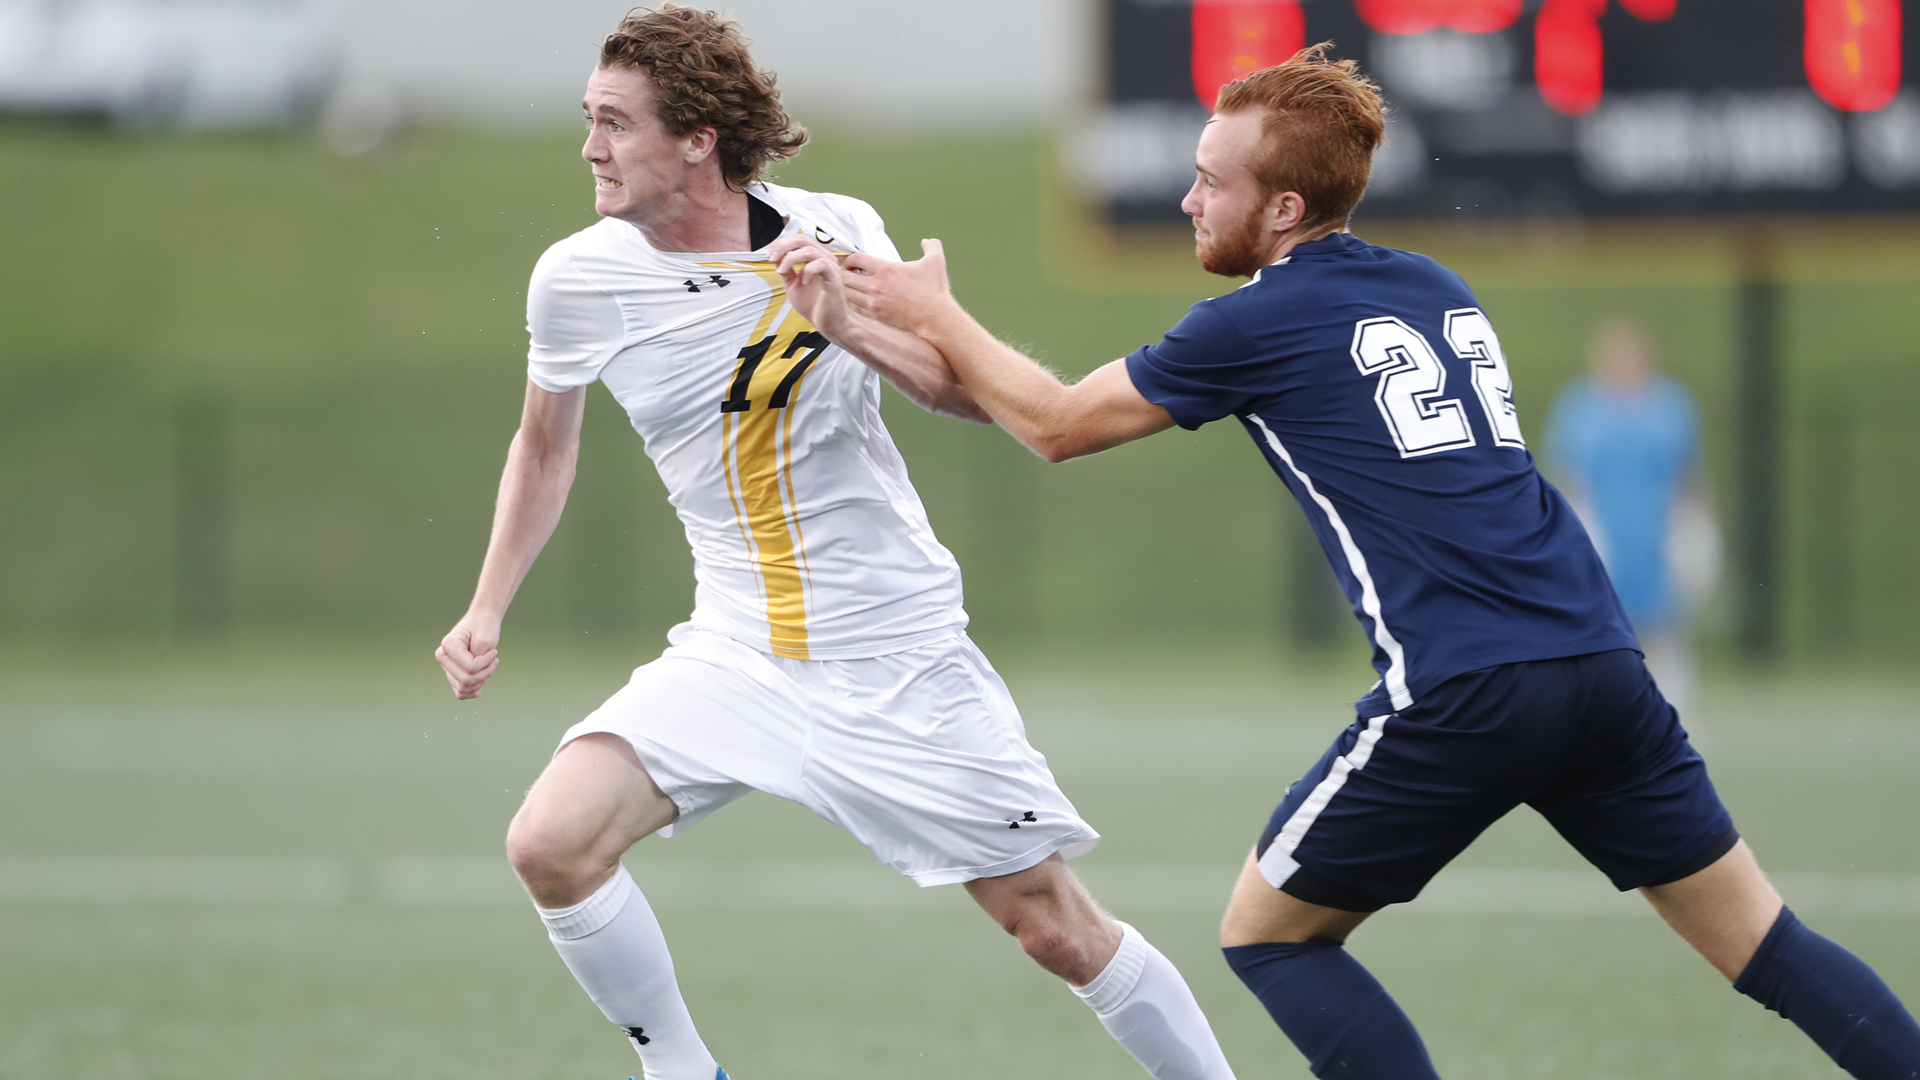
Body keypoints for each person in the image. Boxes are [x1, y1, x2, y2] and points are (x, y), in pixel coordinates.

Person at [770, 44, 1920, 1080]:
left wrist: (939, 308)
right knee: (1765, 944)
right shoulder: (1434, 286)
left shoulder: (1257, 321)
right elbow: (1031, 408)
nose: (1187, 197)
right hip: (1603, 663)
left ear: (1280, 206)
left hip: (1468, 683)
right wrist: (864, 326)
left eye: (1210, 181)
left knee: (1267, 938)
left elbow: (1058, 425)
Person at [432, 8, 1238, 1080]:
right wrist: (486, 608)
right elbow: (542, 449)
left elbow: (963, 393)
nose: (591, 148)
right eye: (589, 120)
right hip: (736, 651)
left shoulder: (834, 228)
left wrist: (847, 325)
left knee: (1055, 928)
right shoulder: (577, 279)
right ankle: (684, 1072)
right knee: (549, 844)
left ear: (696, 140)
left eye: (615, 125)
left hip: (893, 655)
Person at [1547, 318, 1718, 717]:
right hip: (1604, 536)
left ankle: (1675, 720)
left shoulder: (1671, 405)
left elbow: (1689, 475)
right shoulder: (1579, 406)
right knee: (1599, 632)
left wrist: (1700, 530)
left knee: (1664, 629)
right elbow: (1566, 476)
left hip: (1654, 535)